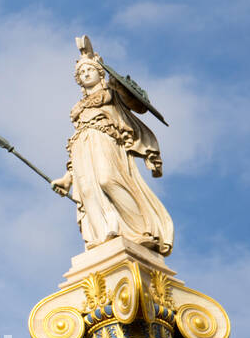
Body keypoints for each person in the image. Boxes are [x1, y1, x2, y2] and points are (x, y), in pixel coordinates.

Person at [51, 39, 174, 255]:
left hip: (106, 138)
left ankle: (141, 231)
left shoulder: (112, 93)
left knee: (107, 180)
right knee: (88, 189)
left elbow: (138, 105)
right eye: (82, 73)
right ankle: (103, 237)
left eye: (90, 70)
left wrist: (119, 85)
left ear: (100, 73)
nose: (86, 74)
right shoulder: (78, 108)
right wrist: (67, 179)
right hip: (82, 144)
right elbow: (74, 148)